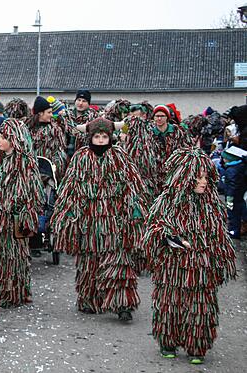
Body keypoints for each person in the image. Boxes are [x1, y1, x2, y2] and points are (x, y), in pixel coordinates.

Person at [143, 148, 236, 364]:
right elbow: (154, 227)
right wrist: (172, 238)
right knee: (170, 303)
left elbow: (220, 234)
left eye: (205, 177)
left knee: (201, 306)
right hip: (173, 266)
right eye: (198, 177)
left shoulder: (212, 204)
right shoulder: (167, 201)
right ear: (185, 178)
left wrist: (219, 259)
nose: (203, 182)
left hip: (203, 267)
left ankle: (197, 345)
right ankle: (168, 340)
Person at [50, 117, 146, 321]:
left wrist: (135, 211)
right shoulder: (81, 157)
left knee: (119, 262)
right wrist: (68, 213)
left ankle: (122, 304)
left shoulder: (120, 157)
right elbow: (71, 187)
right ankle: (90, 299)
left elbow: (132, 186)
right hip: (89, 221)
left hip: (116, 220)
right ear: (90, 137)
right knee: (89, 263)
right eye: (97, 136)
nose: (101, 140)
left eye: (104, 136)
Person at [0, 119, 44, 307]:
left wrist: (26, 211)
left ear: (14, 139)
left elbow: (34, 190)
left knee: (17, 257)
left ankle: (15, 292)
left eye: (4, 137)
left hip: (18, 216)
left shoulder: (26, 162)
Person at [26, 96, 68, 181]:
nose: (52, 115)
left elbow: (59, 152)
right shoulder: (27, 129)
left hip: (50, 176)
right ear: (40, 113)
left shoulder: (55, 130)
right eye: (49, 112)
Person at [151, 104, 192, 192]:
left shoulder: (178, 132)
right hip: (156, 174)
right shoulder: (149, 133)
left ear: (167, 117)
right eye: (157, 116)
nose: (159, 119)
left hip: (174, 171)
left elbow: (187, 148)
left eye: (162, 116)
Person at [219, 146, 246, 239]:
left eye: (225, 158)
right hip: (239, 195)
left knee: (232, 214)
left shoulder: (232, 170)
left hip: (232, 197)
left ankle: (233, 231)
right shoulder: (240, 167)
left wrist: (230, 196)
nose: (223, 160)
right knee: (238, 213)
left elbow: (232, 185)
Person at [66, 89, 98, 157]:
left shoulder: (93, 117)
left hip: (85, 155)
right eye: (79, 100)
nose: (80, 103)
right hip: (66, 154)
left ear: (88, 103)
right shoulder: (66, 116)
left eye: (84, 101)